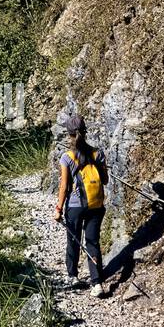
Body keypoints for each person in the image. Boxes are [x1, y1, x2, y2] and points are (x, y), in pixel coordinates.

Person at [54, 115, 107, 297]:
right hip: (96, 206)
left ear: (69, 135)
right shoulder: (98, 154)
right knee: (92, 242)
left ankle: (73, 276)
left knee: (73, 240)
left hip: (74, 207)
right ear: (85, 131)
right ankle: (97, 283)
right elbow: (105, 180)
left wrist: (58, 209)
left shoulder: (66, 158)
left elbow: (64, 187)